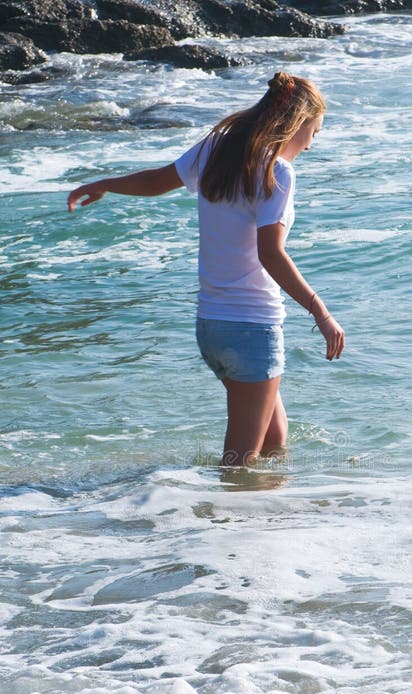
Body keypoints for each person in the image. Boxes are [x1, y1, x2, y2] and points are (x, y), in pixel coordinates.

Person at [68, 72, 345, 466]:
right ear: (295, 124)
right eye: (313, 133)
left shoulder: (215, 150)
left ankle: (272, 523)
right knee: (239, 461)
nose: (310, 144)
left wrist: (106, 184)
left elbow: (156, 180)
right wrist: (322, 312)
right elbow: (271, 253)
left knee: (275, 440)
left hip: (212, 328)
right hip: (251, 327)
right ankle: (219, 522)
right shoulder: (278, 172)